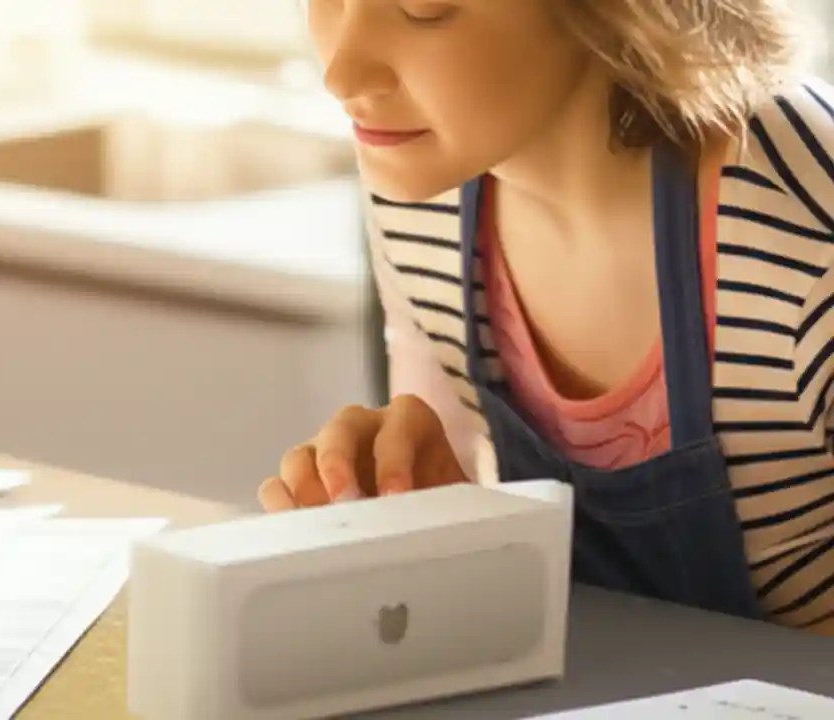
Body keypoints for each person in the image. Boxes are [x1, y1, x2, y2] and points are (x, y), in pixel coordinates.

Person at [259, 0, 834, 636]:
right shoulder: (423, 185)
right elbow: (487, 594)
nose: (341, 76)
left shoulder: (812, 234)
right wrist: (417, 524)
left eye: (423, 9)